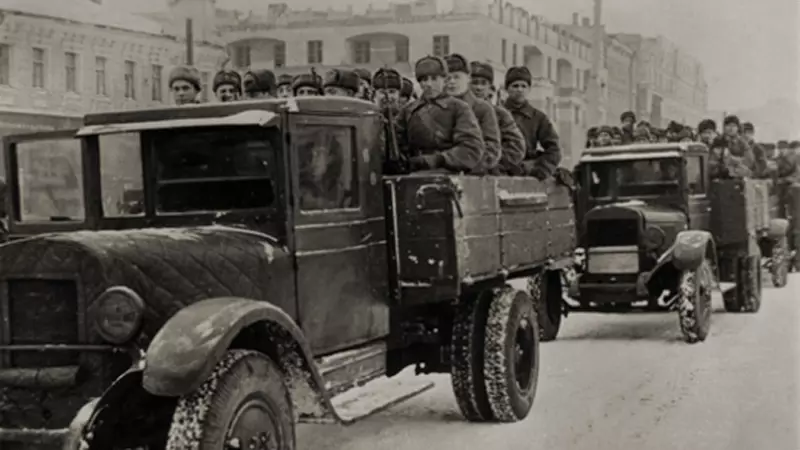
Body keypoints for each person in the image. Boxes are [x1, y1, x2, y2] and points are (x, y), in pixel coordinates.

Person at [393, 55, 485, 173]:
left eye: (434, 78)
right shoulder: (408, 111)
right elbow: (396, 143)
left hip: (449, 174)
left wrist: (439, 159)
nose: (429, 84)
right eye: (424, 80)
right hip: (413, 173)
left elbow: (471, 148)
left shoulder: (459, 108)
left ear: (444, 79)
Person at [443, 54, 502, 173]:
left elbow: (492, 147)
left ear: (468, 79)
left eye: (457, 77)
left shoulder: (482, 109)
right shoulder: (436, 107)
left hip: (472, 175)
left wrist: (471, 167)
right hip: (441, 171)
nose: (452, 82)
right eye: (447, 78)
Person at [503, 66, 561, 180]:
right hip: (501, 170)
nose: (520, 90)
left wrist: (540, 170)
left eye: (524, 86)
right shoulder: (496, 114)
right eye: (515, 86)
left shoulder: (538, 118)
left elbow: (554, 149)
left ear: (529, 89)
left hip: (527, 174)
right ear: (507, 88)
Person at [470, 60, 525, 174]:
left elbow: (516, 148)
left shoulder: (500, 114)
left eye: (483, 83)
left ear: (490, 88)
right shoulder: (458, 110)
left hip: (491, 173)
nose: (479, 88)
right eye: (474, 83)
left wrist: (494, 164)